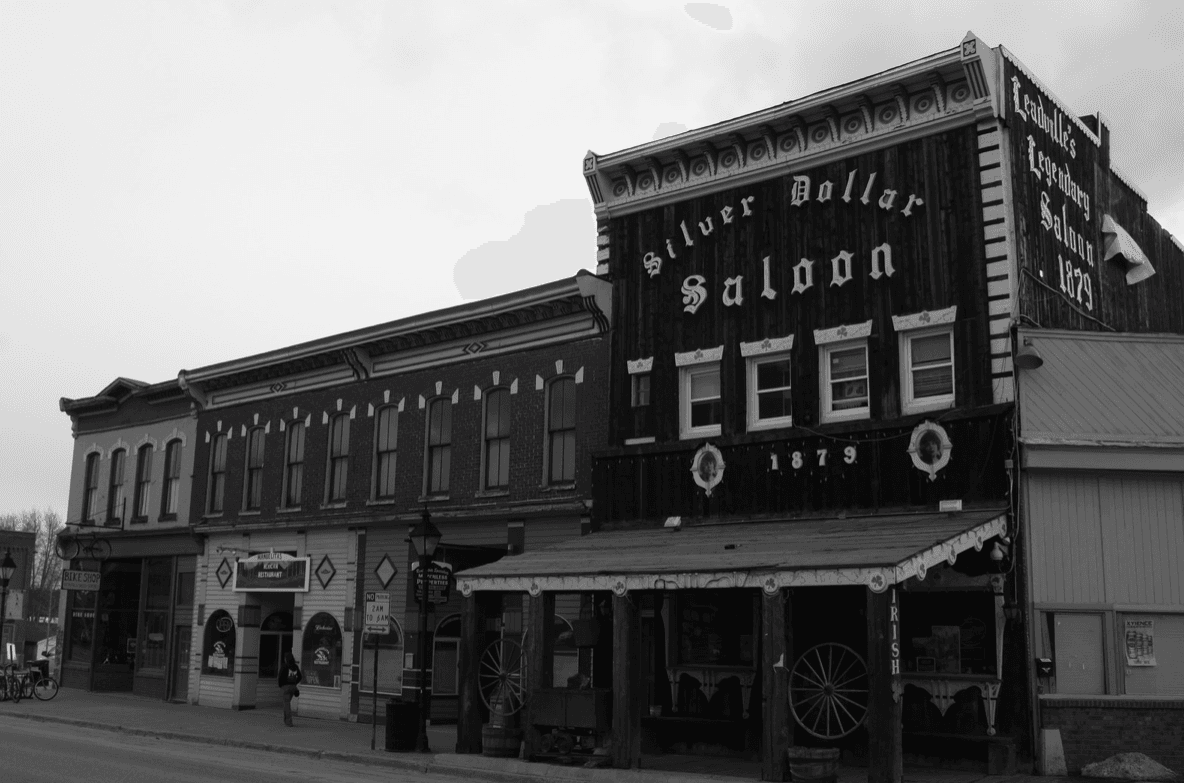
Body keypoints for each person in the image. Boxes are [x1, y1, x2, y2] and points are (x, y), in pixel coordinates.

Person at [278, 651, 302, 727]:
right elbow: (300, 676)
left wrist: (280, 685)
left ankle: (288, 721)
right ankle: (286, 720)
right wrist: (295, 683)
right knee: (287, 704)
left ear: (286, 659)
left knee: (286, 705)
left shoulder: (284, 666)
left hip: (285, 687)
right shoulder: (295, 666)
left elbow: (280, 677)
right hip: (292, 687)